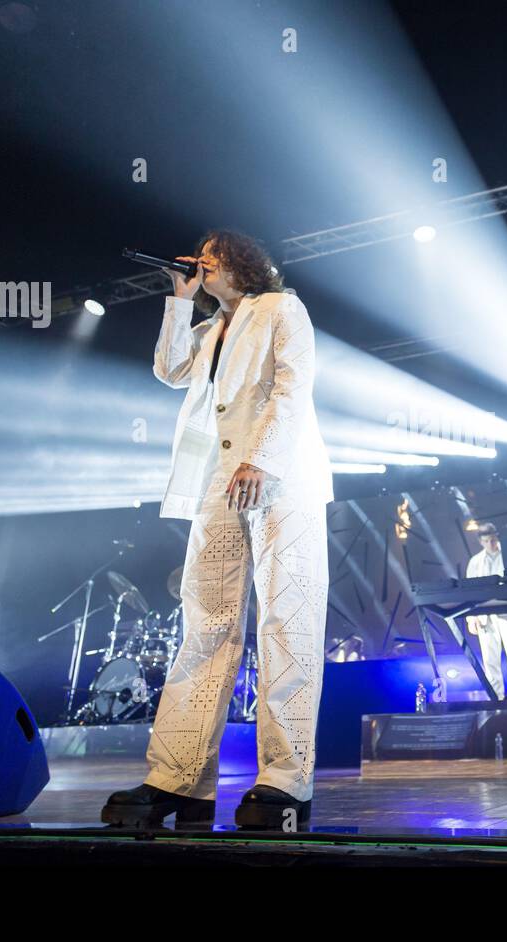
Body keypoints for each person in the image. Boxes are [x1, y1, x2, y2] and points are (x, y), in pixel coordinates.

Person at [103, 230, 333, 829]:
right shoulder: (210, 332)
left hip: (281, 480)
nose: (201, 260)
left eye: (212, 254)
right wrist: (179, 301)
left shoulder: (282, 309)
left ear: (242, 264)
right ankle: (180, 778)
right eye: (198, 256)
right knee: (204, 624)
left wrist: (266, 459)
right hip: (219, 484)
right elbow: (168, 369)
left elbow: (291, 385)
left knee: (288, 617)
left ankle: (287, 777)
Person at [464, 523, 507, 699]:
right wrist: (471, 618)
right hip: (485, 615)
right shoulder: (475, 562)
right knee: (490, 660)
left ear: (497, 537)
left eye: (493, 539)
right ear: (481, 542)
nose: (491, 544)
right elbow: (469, 590)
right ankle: (496, 699)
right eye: (486, 541)